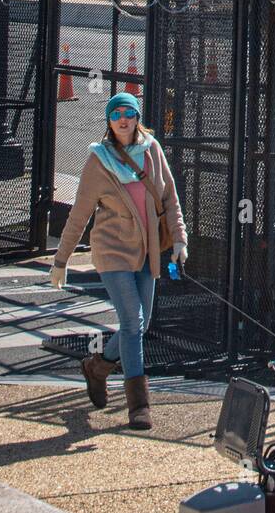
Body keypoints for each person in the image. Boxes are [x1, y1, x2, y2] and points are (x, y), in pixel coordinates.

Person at [50, 92, 187, 429]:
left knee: (140, 324)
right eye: (116, 114)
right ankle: (139, 405)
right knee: (132, 321)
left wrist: (180, 238)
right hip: (112, 251)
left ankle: (97, 367)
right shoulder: (98, 161)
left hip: (147, 251)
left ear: (137, 116)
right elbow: (79, 215)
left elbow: (169, 197)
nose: (123, 119)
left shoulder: (151, 150)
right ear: (109, 121)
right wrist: (61, 260)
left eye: (129, 112)